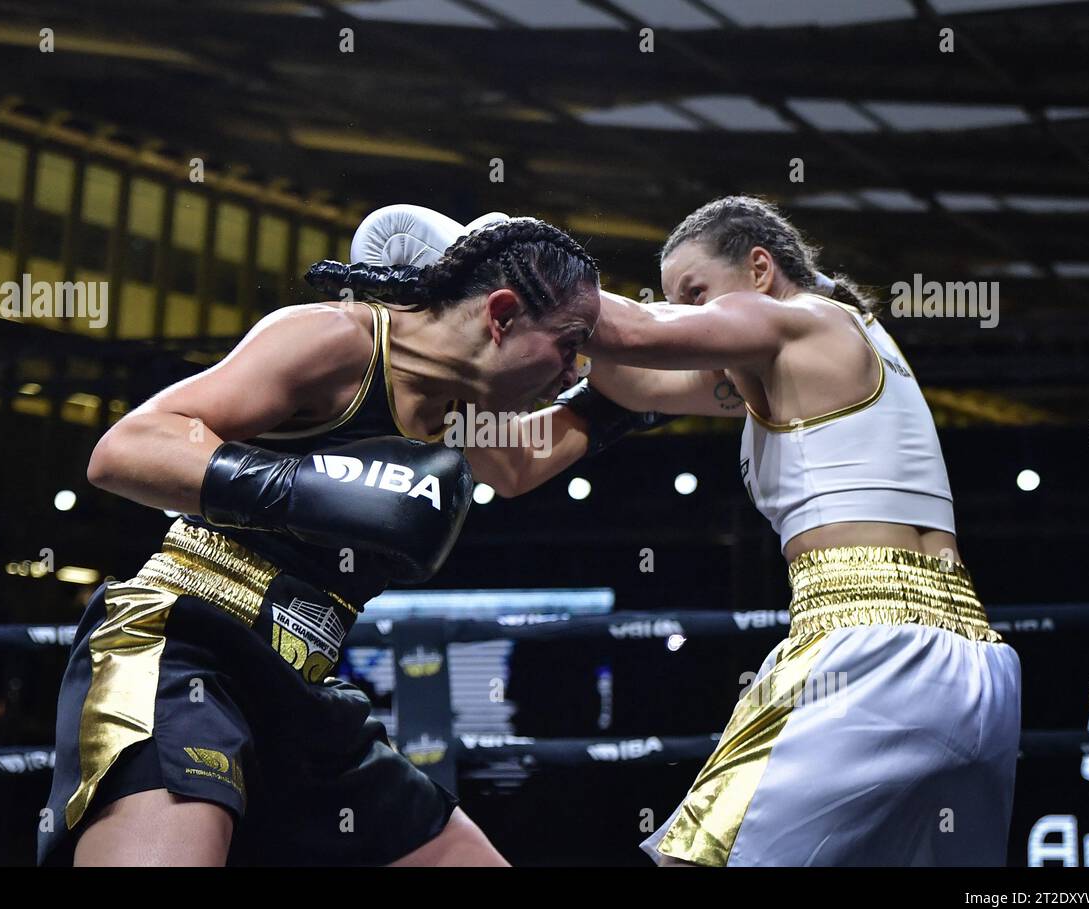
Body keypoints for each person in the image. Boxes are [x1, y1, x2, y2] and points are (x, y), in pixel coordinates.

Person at [39, 215, 663, 866]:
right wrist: (300, 487)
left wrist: (623, 401)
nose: (572, 370)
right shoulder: (337, 338)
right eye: (567, 345)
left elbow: (515, 466)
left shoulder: (463, 401)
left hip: (301, 684)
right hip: (186, 644)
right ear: (501, 316)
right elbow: (126, 449)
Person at [586, 195, 1022, 866]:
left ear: (760, 269)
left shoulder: (795, 323)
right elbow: (634, 379)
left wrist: (500, 258)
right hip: (978, 665)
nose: (691, 314)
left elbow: (634, 332)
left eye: (697, 293)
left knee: (698, 859)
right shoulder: (835, 343)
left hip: (865, 647)